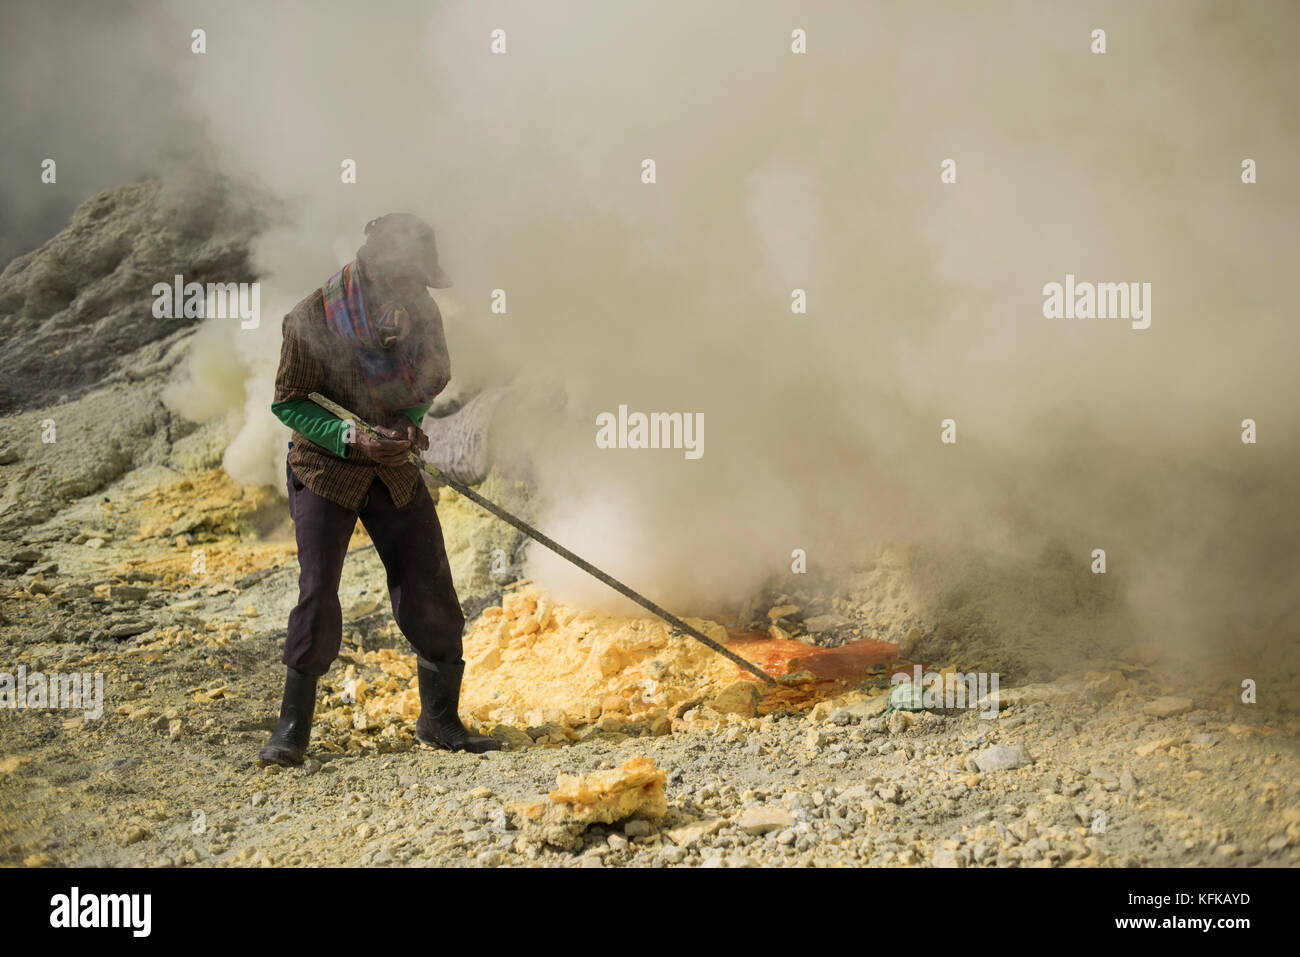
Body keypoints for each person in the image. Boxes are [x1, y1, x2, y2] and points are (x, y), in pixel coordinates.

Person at [258, 212, 500, 766]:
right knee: (318, 592)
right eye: (401, 278)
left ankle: (440, 720)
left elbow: (427, 381)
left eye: (417, 280)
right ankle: (292, 728)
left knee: (429, 583)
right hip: (326, 465)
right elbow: (289, 402)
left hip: (392, 465)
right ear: (370, 270)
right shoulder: (309, 318)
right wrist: (352, 437)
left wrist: (408, 423)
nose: (410, 291)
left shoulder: (418, 312)